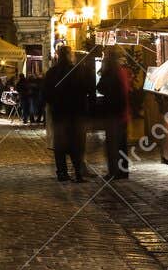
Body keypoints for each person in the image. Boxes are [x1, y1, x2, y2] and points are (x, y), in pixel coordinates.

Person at [42, 46, 90, 183]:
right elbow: (86, 89)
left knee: (60, 144)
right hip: (76, 113)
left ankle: (62, 173)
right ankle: (78, 173)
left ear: (58, 56)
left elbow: (45, 93)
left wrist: (53, 104)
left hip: (59, 113)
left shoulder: (52, 72)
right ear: (70, 55)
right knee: (77, 143)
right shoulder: (77, 71)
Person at [97, 49, 134, 180]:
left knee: (113, 144)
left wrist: (103, 70)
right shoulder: (121, 71)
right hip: (122, 112)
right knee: (122, 144)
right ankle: (123, 171)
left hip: (113, 113)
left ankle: (114, 171)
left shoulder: (110, 73)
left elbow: (100, 87)